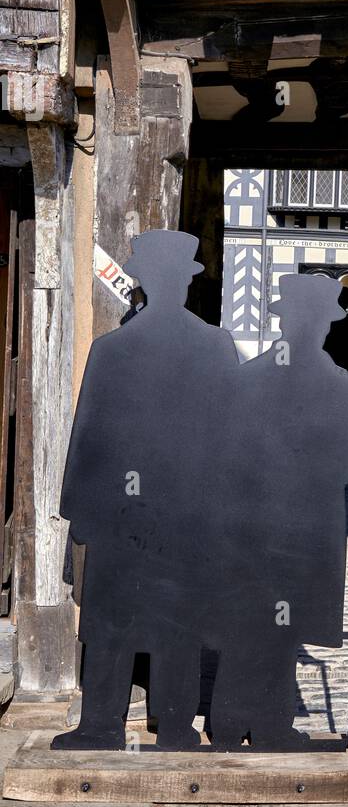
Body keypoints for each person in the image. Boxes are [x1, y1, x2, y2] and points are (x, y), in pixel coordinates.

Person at [53, 231, 240, 751]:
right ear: (184, 283)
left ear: (142, 283)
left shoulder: (112, 350)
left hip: (121, 511)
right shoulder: (215, 346)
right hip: (187, 513)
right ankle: (176, 727)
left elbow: (87, 437)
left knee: (113, 621)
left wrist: (79, 511)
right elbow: (233, 439)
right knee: (177, 622)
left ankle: (100, 725)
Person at [208, 274, 348, 750]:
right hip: (305, 527)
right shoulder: (338, 384)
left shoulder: (247, 378)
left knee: (248, 623)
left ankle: (229, 724)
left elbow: (222, 453)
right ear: (321, 326)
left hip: (251, 524)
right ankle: (268, 726)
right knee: (283, 629)